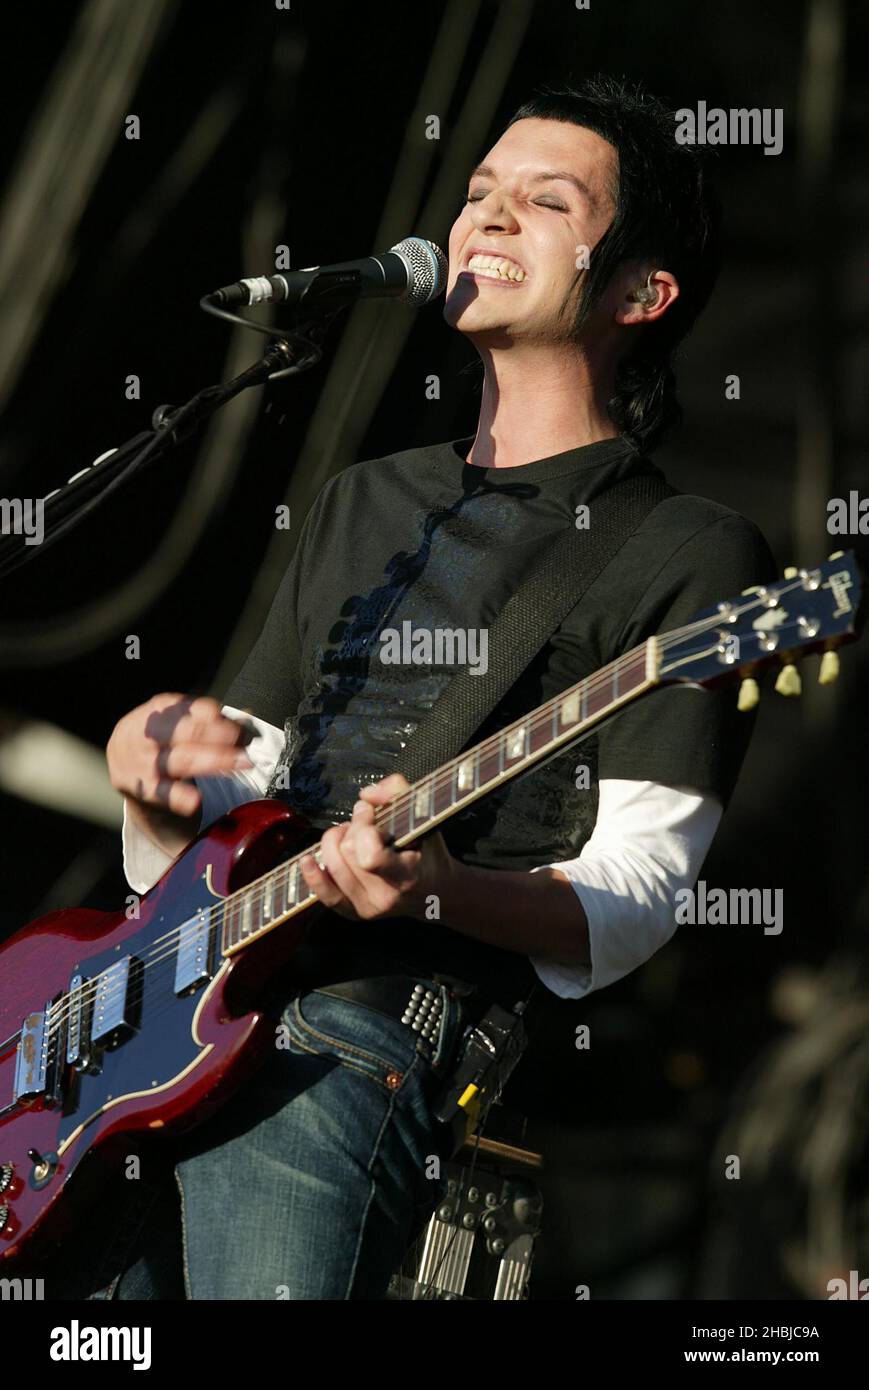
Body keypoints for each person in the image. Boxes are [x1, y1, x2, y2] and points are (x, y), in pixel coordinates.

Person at [58, 75, 775, 1300]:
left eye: (543, 203)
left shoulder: (690, 551)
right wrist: (161, 773)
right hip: (165, 1040)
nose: (486, 219)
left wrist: (438, 890)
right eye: (479, 192)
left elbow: (634, 898)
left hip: (361, 1048)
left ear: (640, 293)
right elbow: (221, 810)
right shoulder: (361, 500)